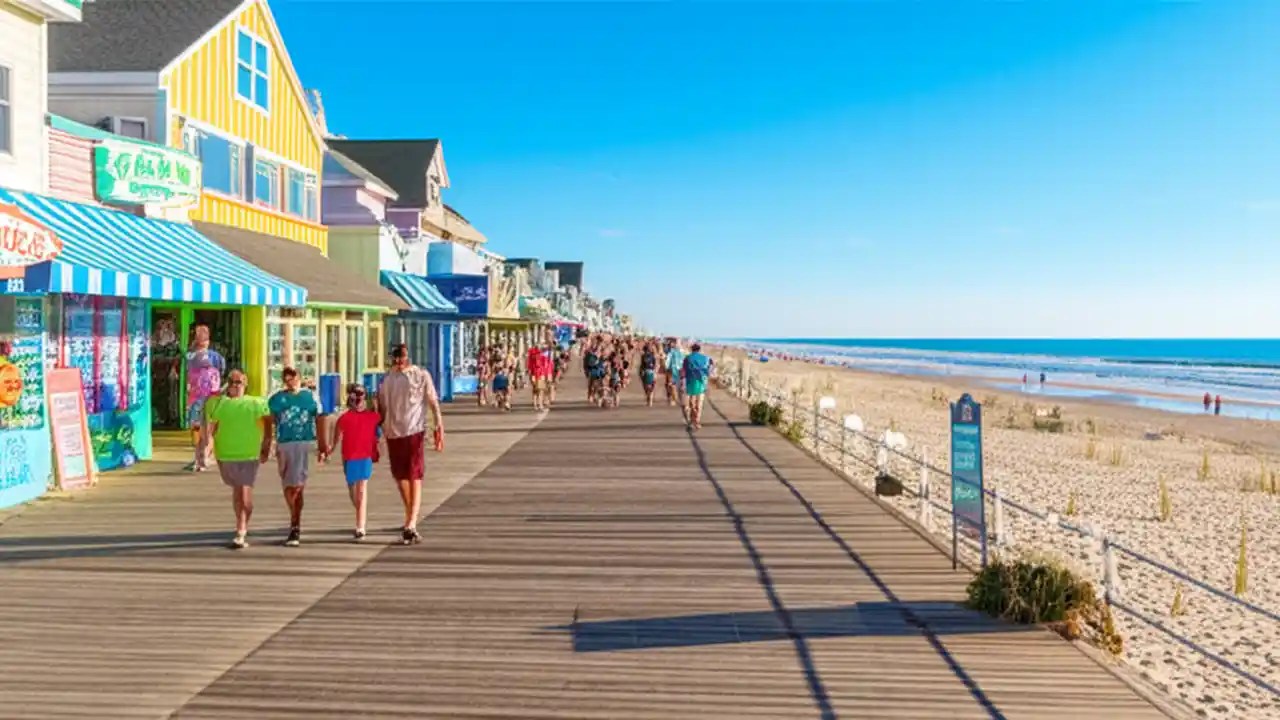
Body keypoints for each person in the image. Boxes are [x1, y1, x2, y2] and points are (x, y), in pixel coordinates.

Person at [377, 344, 445, 545]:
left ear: (408, 357)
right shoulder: (387, 380)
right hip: (392, 431)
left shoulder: (421, 375)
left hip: (414, 430)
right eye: (396, 358)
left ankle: (411, 522)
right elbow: (381, 407)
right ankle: (410, 515)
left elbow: (433, 401)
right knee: (400, 476)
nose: (399, 362)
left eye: (402, 358)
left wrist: (438, 424)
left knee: (414, 474)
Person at [206, 369, 272, 550]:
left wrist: (266, 445)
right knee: (237, 491)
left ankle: (241, 529)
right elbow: (212, 427)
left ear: (246, 384)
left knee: (245, 493)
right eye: (232, 382)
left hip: (249, 453)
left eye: (239, 382)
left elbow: (267, 424)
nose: (236, 386)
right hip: (226, 453)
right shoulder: (218, 403)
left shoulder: (256, 403)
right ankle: (240, 521)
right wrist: (208, 450)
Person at [266, 367, 324, 547]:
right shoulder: (276, 399)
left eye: (293, 378)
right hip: (284, 443)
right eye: (287, 379)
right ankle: (293, 512)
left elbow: (320, 419)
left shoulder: (310, 397)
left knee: (298, 484)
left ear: (299, 378)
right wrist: (268, 444)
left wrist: (323, 444)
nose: (290, 382)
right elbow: (271, 420)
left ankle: (295, 524)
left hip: (304, 442)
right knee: (287, 484)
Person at [326, 383, 381, 541]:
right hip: (349, 457)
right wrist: (328, 451)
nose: (357, 398)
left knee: (362, 489)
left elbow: (381, 430)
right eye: (354, 395)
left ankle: (360, 526)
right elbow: (336, 439)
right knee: (353, 490)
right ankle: (360, 512)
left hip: (365, 456)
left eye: (360, 394)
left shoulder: (372, 416)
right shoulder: (344, 418)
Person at [184, 324, 226, 472]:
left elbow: (220, 371)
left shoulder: (214, 357)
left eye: (204, 337)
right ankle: (199, 458)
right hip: (198, 398)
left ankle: (204, 457)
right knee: (198, 428)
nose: (201, 340)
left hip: (208, 397)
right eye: (198, 337)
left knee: (207, 429)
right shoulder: (192, 356)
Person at [682, 343, 713, 430]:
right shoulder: (705, 358)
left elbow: (683, 371)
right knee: (699, 403)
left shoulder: (687, 358)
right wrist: (707, 374)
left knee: (691, 403)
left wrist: (682, 382)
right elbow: (711, 365)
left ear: (692, 349)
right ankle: (697, 420)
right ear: (699, 349)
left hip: (690, 382)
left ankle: (692, 420)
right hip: (701, 382)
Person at [665, 340, 685, 408]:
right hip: (672, 370)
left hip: (681, 371)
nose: (676, 344)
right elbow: (668, 360)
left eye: (678, 343)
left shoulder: (683, 352)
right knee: (672, 385)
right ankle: (674, 399)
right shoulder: (671, 352)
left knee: (680, 387)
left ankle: (680, 399)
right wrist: (667, 368)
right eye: (676, 343)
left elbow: (685, 361)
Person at [640, 342, 659, 407]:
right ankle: (649, 399)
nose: (649, 349)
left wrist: (655, 372)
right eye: (648, 347)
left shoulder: (653, 356)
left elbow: (656, 365)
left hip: (650, 372)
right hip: (647, 372)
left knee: (650, 387)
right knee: (647, 388)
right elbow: (642, 364)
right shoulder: (644, 356)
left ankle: (650, 400)